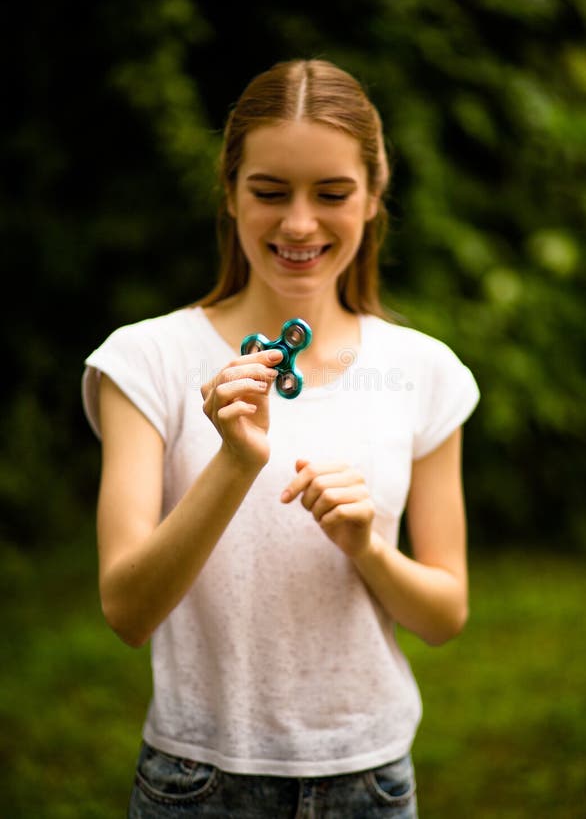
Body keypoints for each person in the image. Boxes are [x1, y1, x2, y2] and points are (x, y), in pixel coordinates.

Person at [82, 59, 480, 818]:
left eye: (332, 194)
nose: (300, 223)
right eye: (270, 192)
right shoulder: (145, 361)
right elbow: (126, 611)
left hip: (371, 780)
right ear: (230, 194)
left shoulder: (424, 371)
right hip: (195, 782)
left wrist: (368, 548)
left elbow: (445, 614)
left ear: (372, 195)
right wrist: (235, 462)